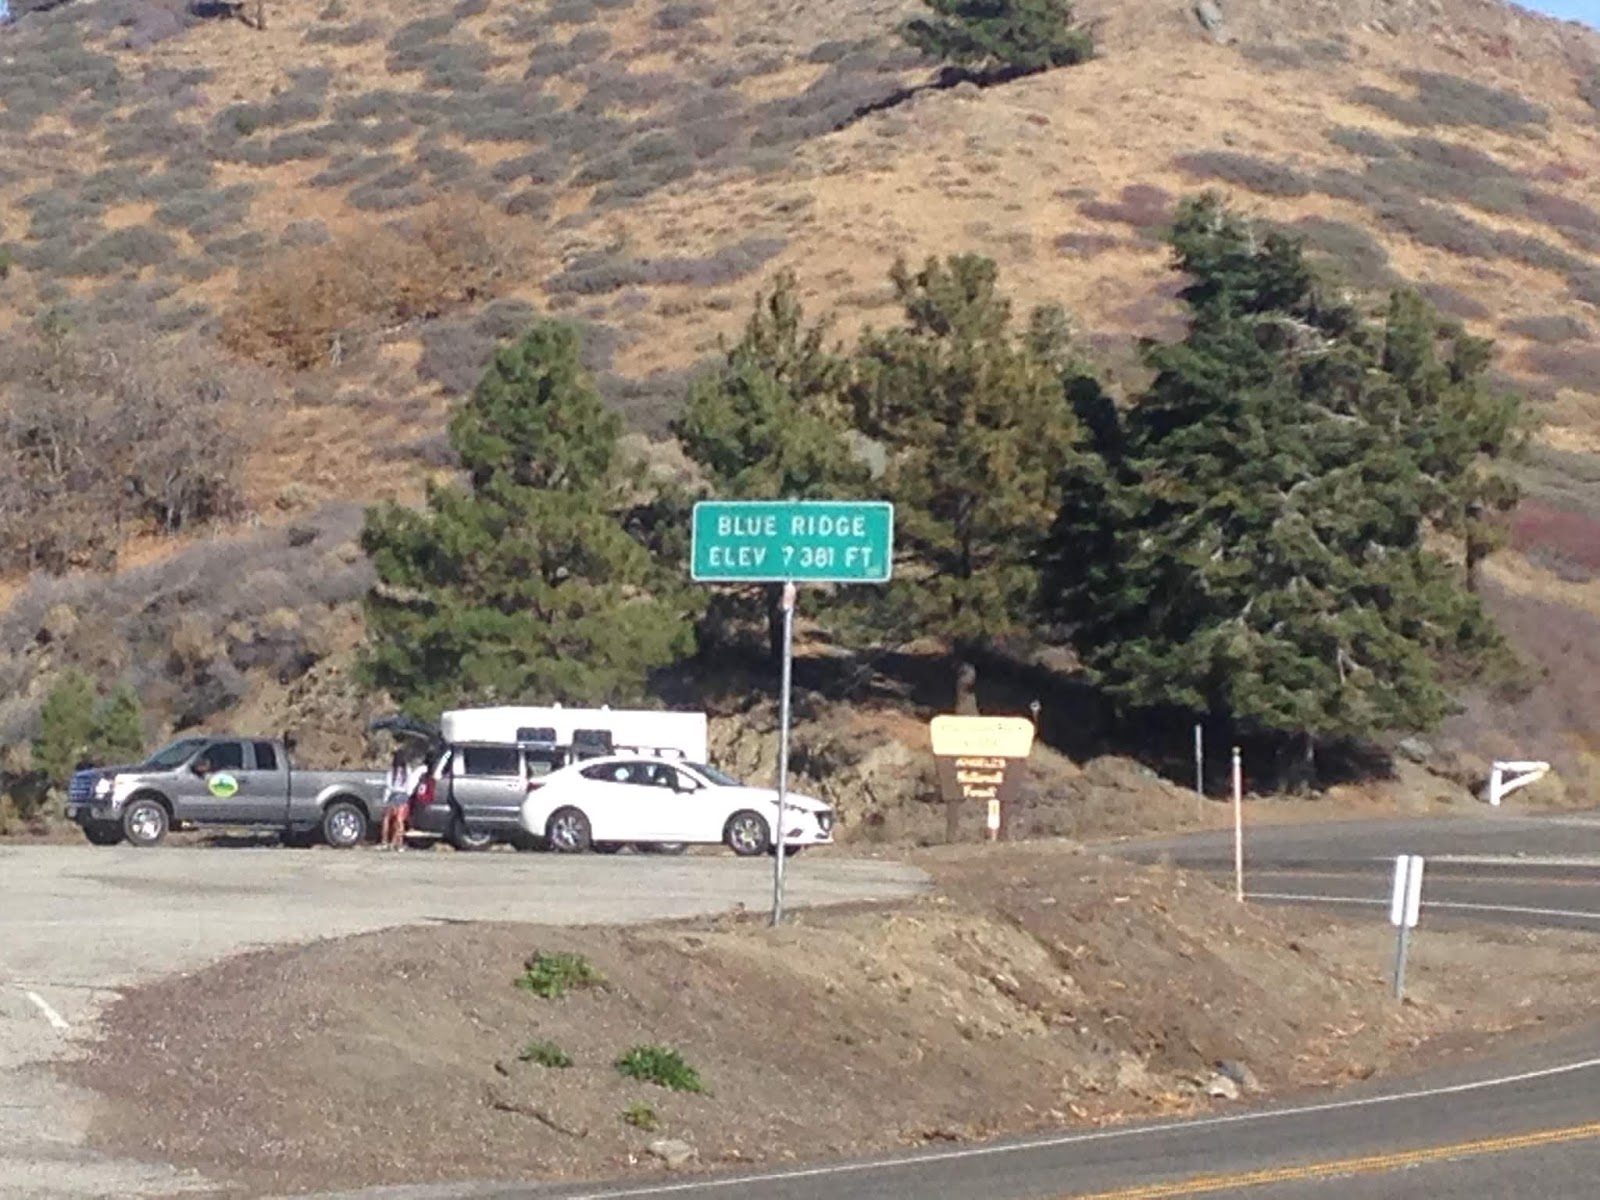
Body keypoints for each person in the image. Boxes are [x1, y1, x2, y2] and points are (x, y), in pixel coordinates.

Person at [381, 752, 420, 852]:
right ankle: (399, 843)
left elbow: (388, 786)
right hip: (403, 796)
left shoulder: (392, 771)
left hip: (393, 795)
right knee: (399, 820)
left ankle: (385, 841)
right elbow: (409, 786)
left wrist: (385, 800)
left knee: (386, 819)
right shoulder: (407, 771)